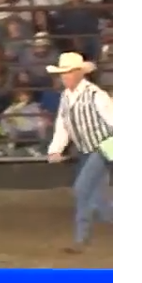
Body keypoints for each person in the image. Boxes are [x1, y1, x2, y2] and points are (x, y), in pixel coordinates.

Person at [46, 52, 113, 253]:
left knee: (82, 188)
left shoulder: (96, 95)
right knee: (99, 199)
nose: (64, 77)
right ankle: (82, 238)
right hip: (87, 150)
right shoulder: (66, 97)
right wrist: (55, 149)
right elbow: (62, 126)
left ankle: (81, 239)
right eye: (63, 73)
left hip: (105, 146)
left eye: (68, 72)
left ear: (79, 73)